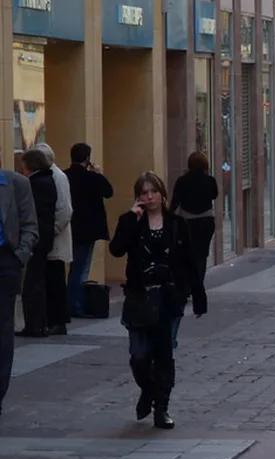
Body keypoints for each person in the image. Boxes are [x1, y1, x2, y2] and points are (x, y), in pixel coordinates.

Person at [110, 171, 205, 430]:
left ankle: (161, 408)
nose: (149, 197)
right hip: (140, 297)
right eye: (143, 193)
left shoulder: (176, 223)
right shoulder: (131, 222)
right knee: (139, 355)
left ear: (162, 194)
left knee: (163, 354)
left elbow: (190, 261)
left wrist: (198, 296)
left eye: (153, 191)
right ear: (138, 197)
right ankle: (149, 390)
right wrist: (131, 218)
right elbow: (116, 249)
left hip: (169, 298)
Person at [0, 163, 37, 414]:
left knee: (2, 330)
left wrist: (19, 256)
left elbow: (30, 226)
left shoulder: (16, 184)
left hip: (5, 263)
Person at [65, 143, 113, 318]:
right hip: (88, 229)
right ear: (87, 158)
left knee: (74, 267)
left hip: (70, 228)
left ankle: (72, 302)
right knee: (81, 268)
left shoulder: (65, 175)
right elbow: (109, 192)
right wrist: (98, 173)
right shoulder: (92, 177)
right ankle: (74, 305)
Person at [17, 148, 57, 338]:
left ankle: (34, 325)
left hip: (36, 238)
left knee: (32, 284)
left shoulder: (35, 184)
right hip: (45, 237)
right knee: (36, 282)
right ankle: (38, 323)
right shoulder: (47, 180)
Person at [33, 144, 72, 335]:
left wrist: (52, 230)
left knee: (55, 281)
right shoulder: (47, 176)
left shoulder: (58, 177)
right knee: (49, 280)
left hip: (55, 239)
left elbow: (65, 210)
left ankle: (58, 320)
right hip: (48, 237)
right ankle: (52, 318)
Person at [169, 152, 219, 290]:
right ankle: (198, 284)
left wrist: (168, 216)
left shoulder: (182, 180)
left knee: (186, 253)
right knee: (202, 255)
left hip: (187, 222)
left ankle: (187, 285)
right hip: (206, 221)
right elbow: (215, 194)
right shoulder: (210, 180)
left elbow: (175, 201)